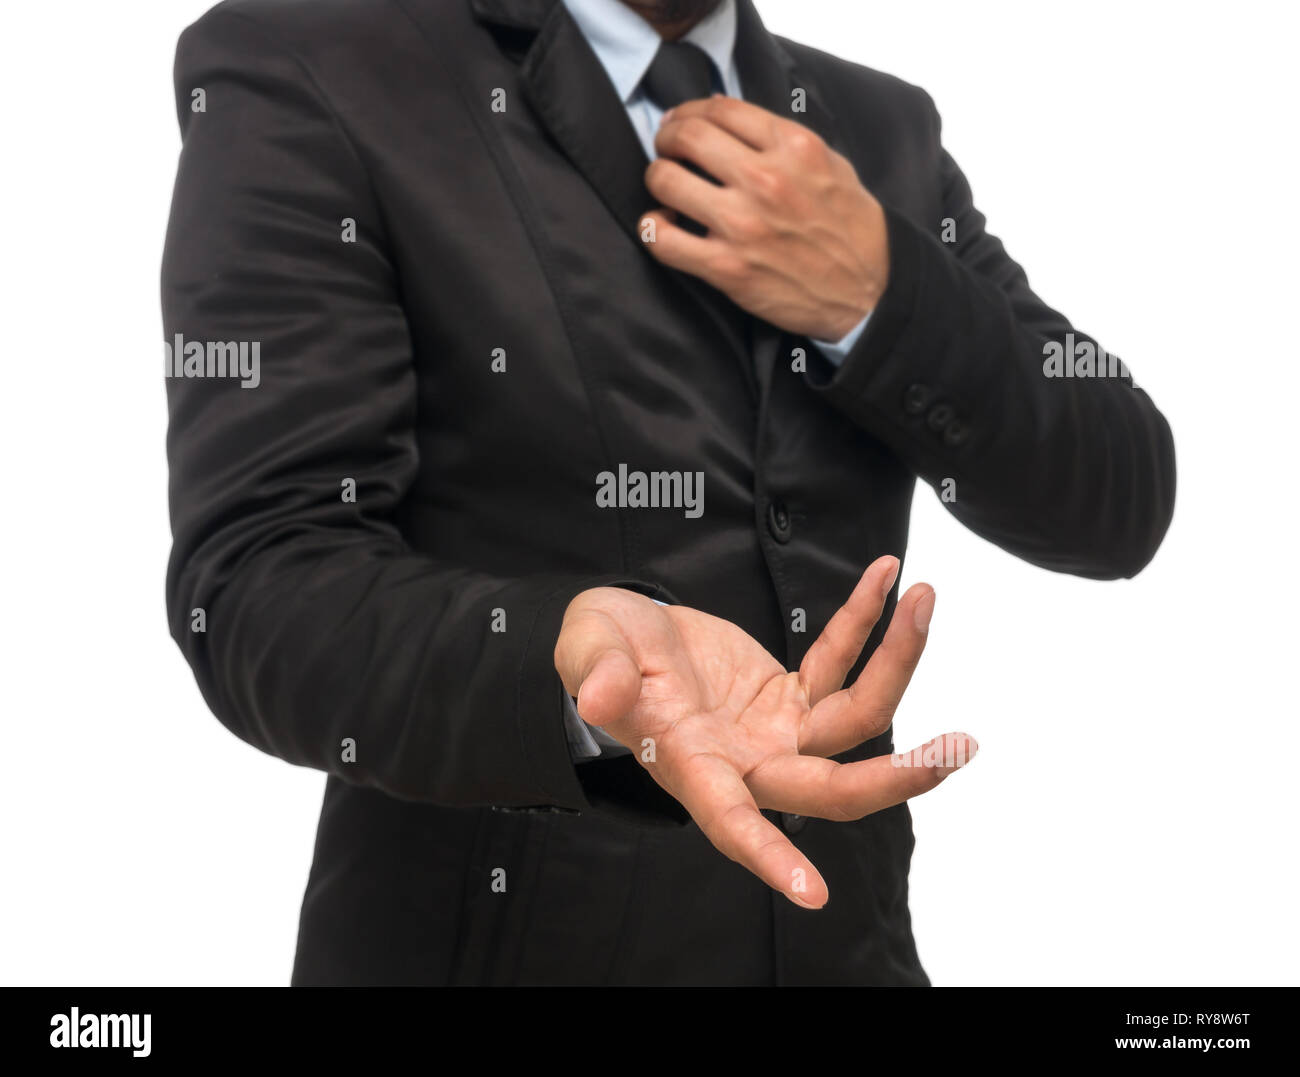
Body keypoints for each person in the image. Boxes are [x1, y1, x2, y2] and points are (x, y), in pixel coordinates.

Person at [162, 0, 1175, 985]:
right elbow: (259, 579)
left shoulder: (876, 125)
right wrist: (568, 666)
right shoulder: (313, 62)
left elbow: (1116, 497)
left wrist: (880, 295)